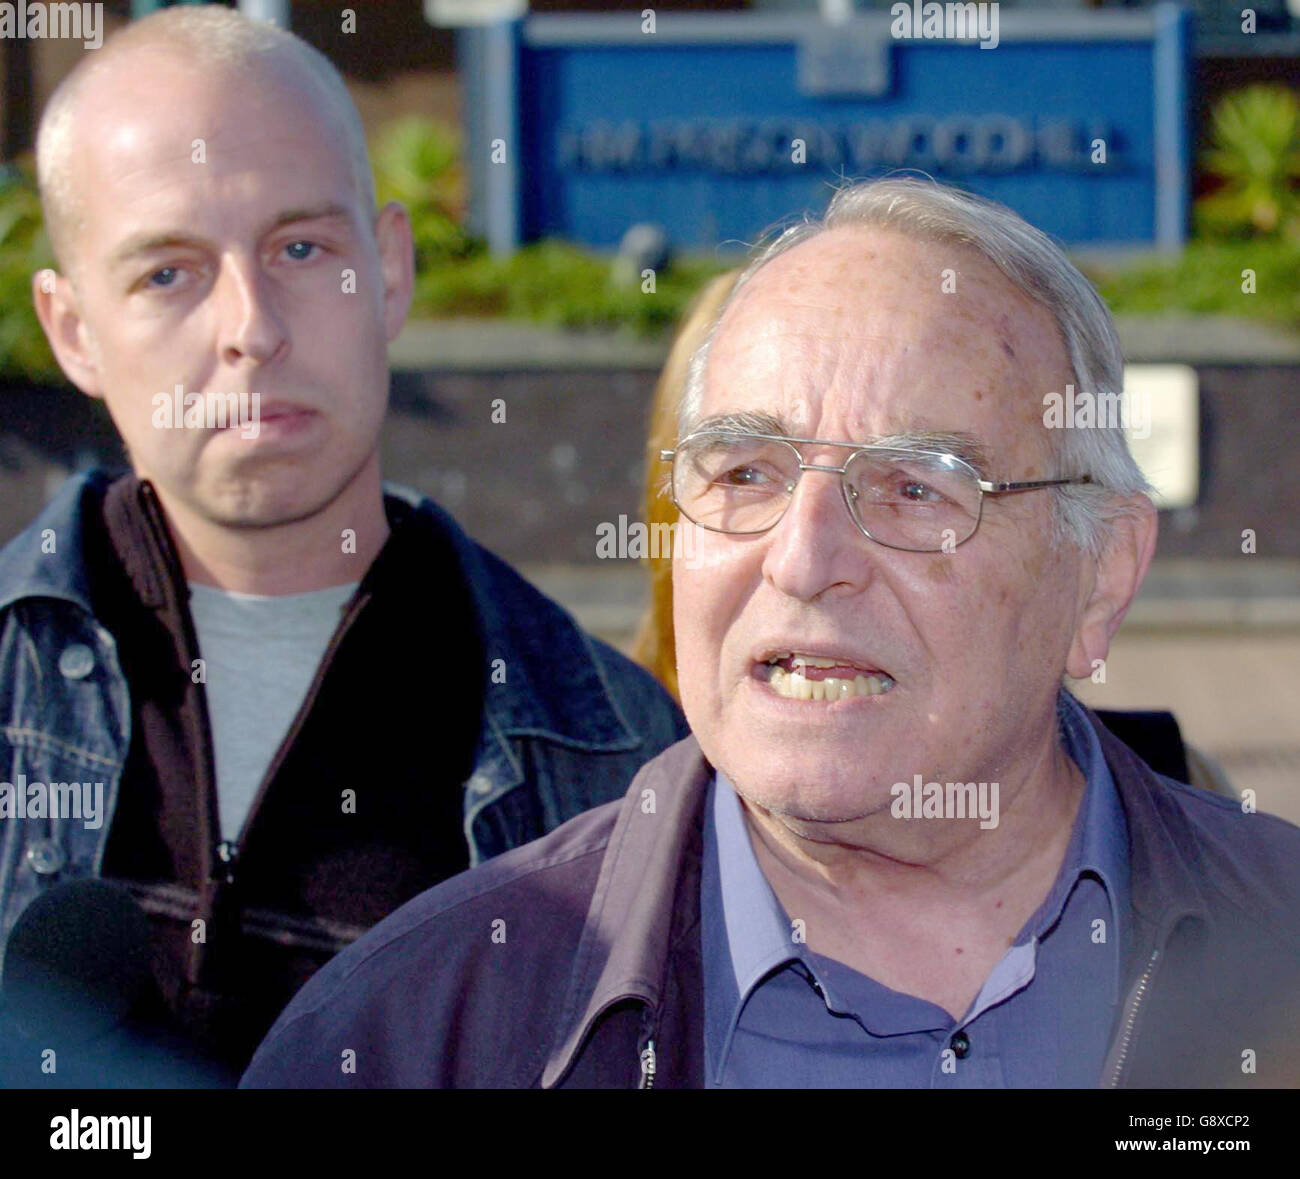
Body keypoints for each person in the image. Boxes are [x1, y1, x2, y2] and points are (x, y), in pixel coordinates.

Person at [242, 177, 1300, 1089]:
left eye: (915, 489)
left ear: (1099, 575)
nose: (800, 559)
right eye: (743, 474)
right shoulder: (408, 1038)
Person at [0, 6, 684, 1083]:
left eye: (302, 247)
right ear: (72, 327)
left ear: (392, 268)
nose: (251, 326)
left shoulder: (608, 754)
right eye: (167, 274)